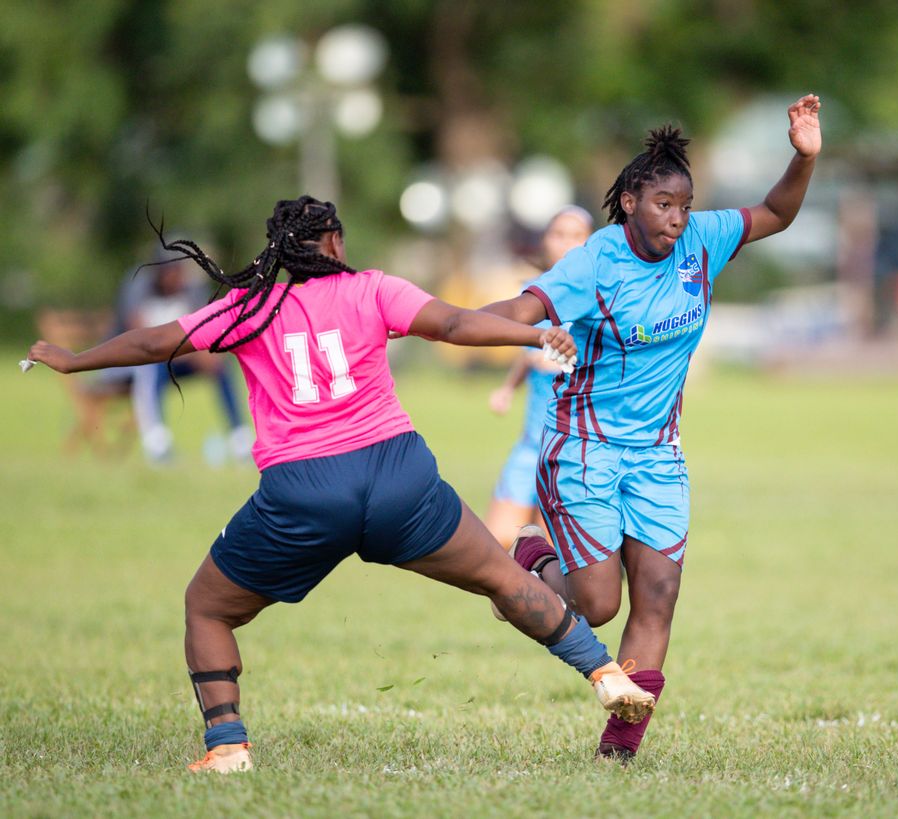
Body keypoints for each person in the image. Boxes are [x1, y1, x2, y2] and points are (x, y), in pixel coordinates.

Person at [24, 196, 656, 774]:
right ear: (331, 244)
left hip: (305, 492)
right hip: (398, 476)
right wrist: (532, 333)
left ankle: (227, 747)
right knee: (503, 575)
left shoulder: (250, 307)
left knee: (208, 607)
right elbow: (456, 327)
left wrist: (75, 360)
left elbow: (157, 340)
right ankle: (604, 673)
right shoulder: (372, 289)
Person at [480, 95, 822, 764]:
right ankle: (527, 561)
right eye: (665, 204)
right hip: (584, 449)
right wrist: (441, 320)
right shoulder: (595, 262)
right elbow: (523, 306)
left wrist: (803, 155)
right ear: (631, 200)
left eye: (685, 205)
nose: (678, 217)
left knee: (658, 596)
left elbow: (777, 212)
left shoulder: (700, 241)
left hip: (658, 453)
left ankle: (619, 751)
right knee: (599, 604)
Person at [485, 206, 593, 547]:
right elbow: (528, 354)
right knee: (498, 539)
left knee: (551, 546)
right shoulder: (531, 294)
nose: (565, 243)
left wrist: (565, 361)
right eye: (558, 234)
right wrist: (507, 388)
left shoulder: (600, 295)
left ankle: (555, 597)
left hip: (575, 447)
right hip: (532, 441)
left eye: (576, 236)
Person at [115, 247, 252, 463]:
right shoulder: (138, 287)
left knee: (219, 365)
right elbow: (140, 340)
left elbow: (205, 330)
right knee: (150, 366)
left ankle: (239, 437)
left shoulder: (191, 289)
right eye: (173, 272)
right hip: (132, 364)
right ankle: (157, 443)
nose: (178, 278)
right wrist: (189, 351)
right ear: (160, 273)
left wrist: (205, 353)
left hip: (178, 360)